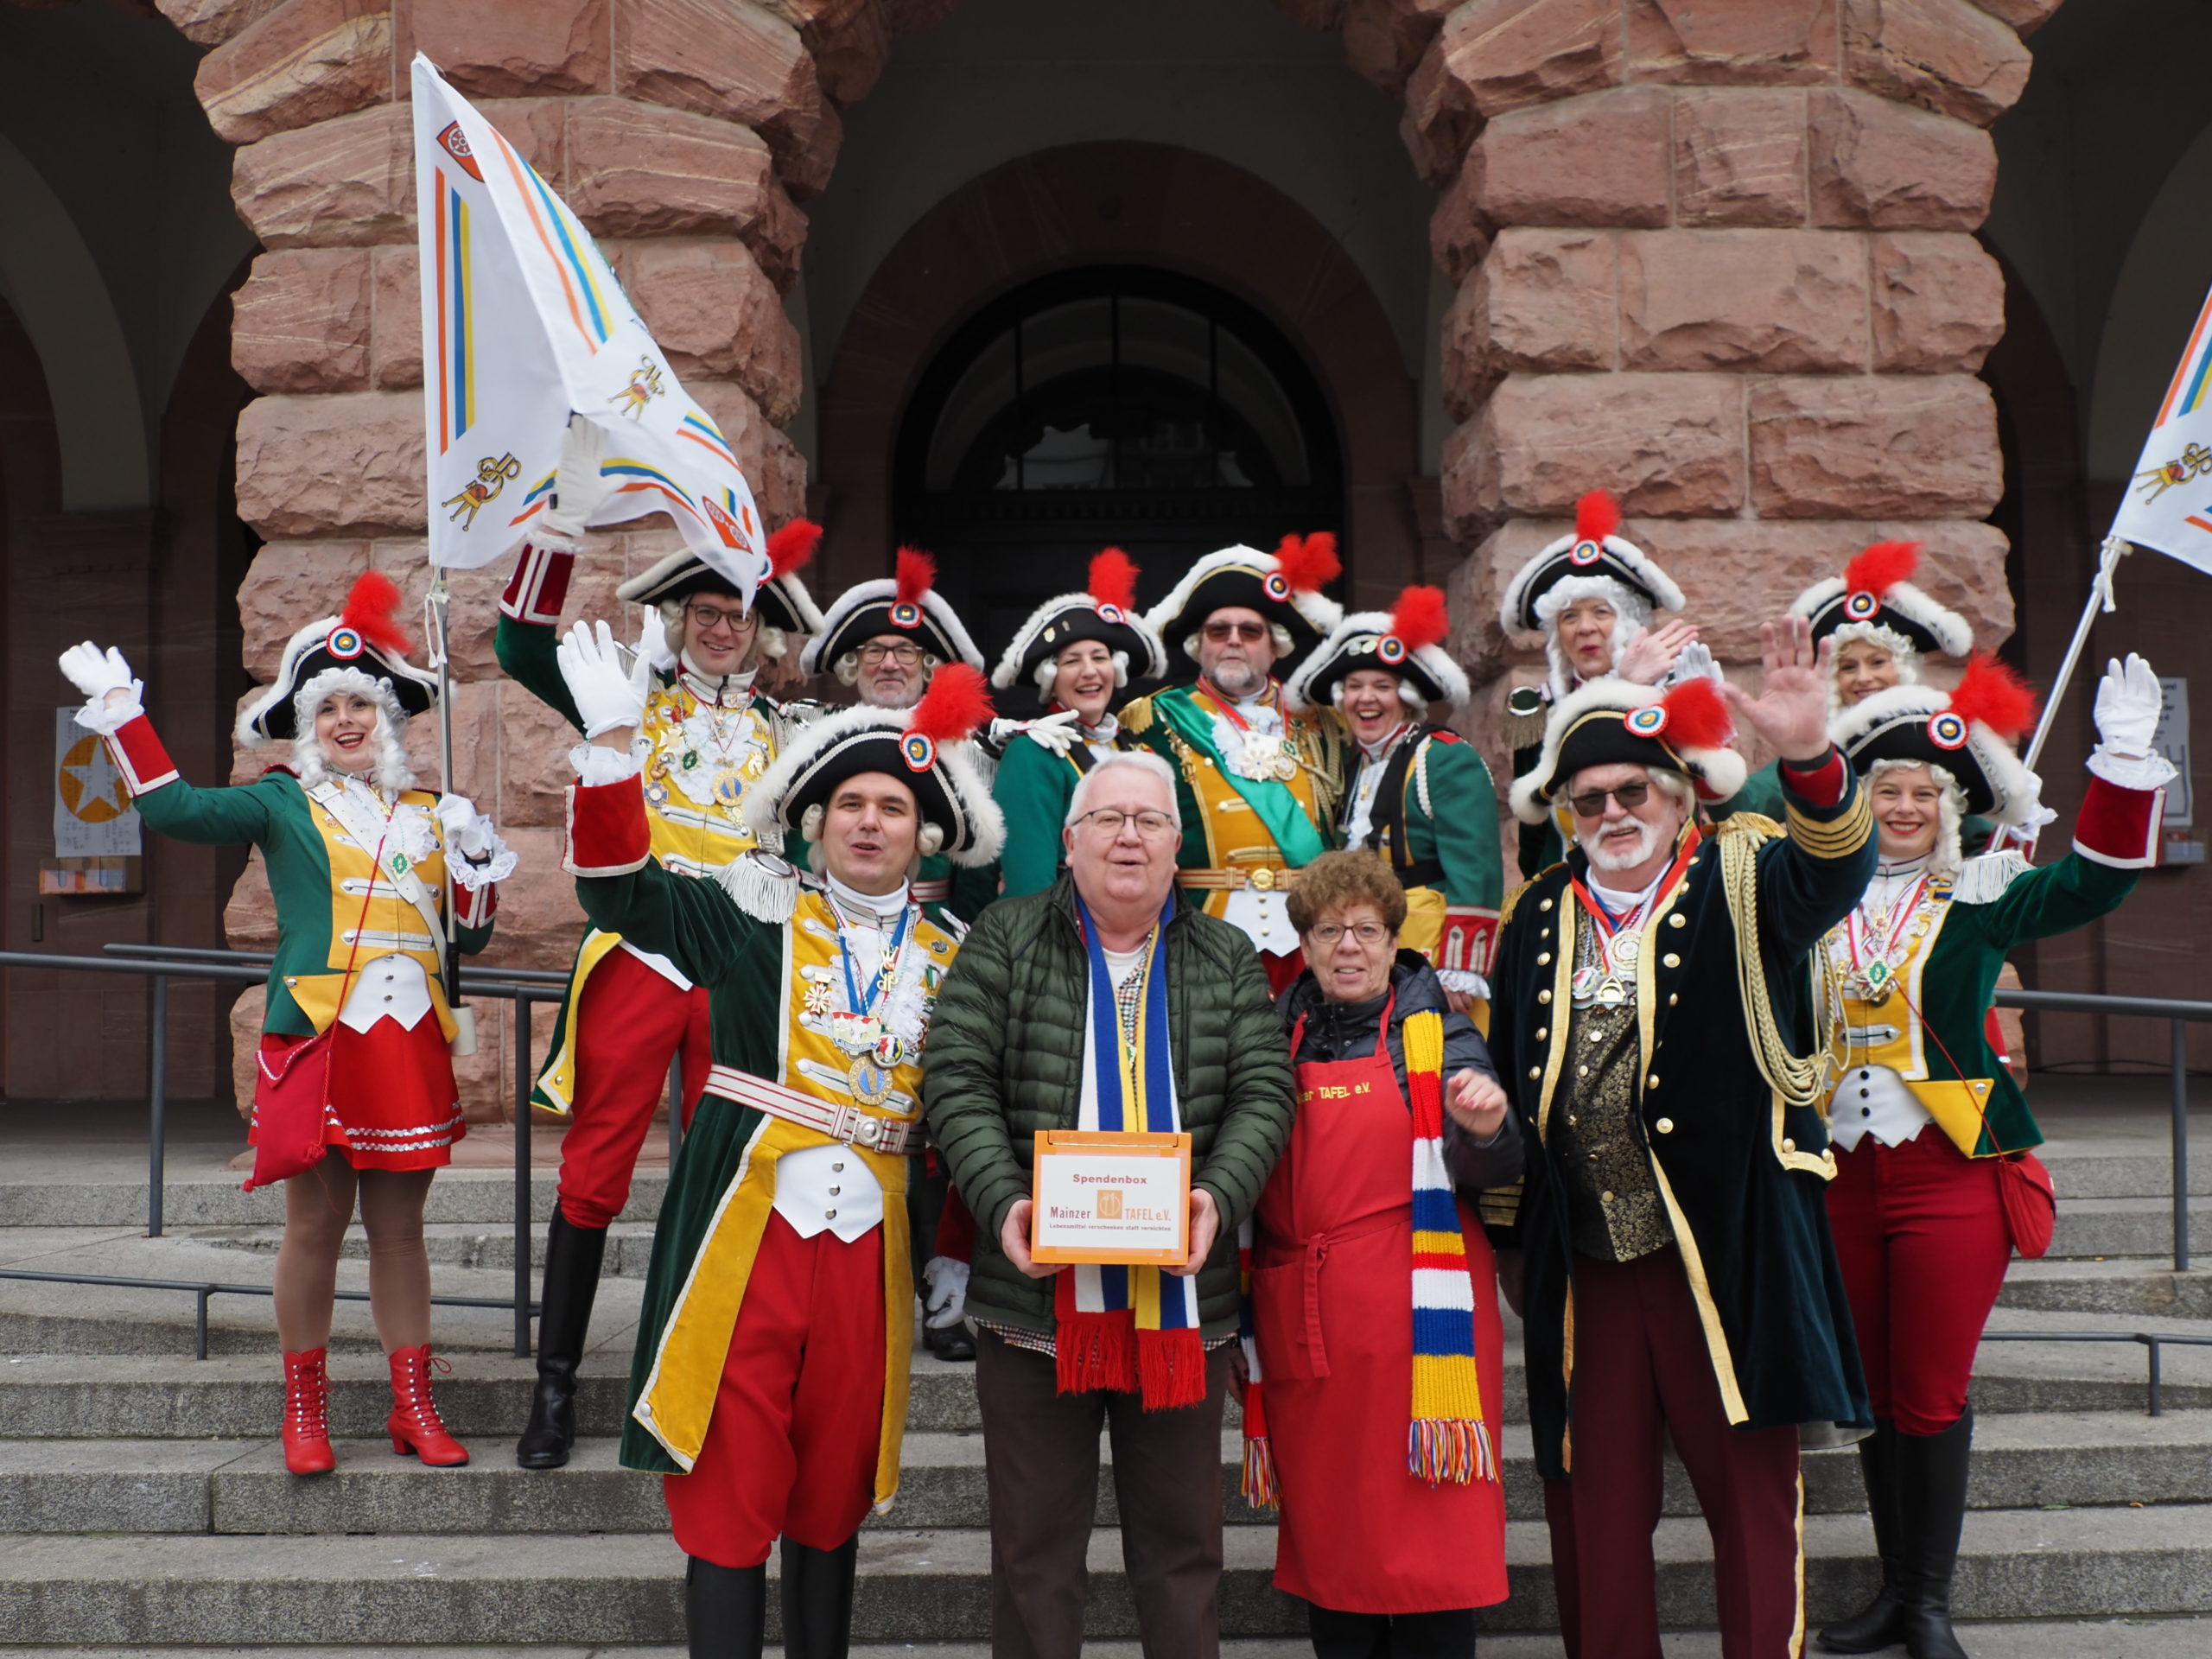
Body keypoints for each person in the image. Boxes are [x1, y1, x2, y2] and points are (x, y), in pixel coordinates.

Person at [554, 620, 1002, 1659]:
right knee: (728, 1481)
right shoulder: (749, 915)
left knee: (833, 1486)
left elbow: (982, 1104)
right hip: (744, 1241)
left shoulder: (962, 957)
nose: (868, 822)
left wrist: (968, 1243)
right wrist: (613, 752)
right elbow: (620, 895)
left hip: (868, 1257)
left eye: (893, 808)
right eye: (849, 804)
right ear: (810, 820)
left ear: (926, 836)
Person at [59, 575, 512, 1474]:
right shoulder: (282, 801)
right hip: (320, 1036)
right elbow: (178, 810)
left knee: (401, 1232)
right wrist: (122, 719)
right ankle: (303, 1409)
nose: (347, 720)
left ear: (389, 718)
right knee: (315, 1225)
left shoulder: (432, 814)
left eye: (362, 704)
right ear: (307, 725)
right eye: (329, 706)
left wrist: (474, 859)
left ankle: (413, 1405)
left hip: (409, 1043)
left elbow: (470, 937)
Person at [1487, 616, 1877, 1659]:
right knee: (1596, 1514)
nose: (1614, 812)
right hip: (1589, 1266)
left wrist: (1808, 755)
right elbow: (1514, 1078)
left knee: (1749, 1502)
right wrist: (1509, 1232)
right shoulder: (1538, 916)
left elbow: (1834, 870)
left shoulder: (1743, 878)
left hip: (1726, 1254)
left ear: (1679, 794)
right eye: (1590, 800)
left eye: (1634, 791)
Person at [1814, 654, 2171, 1659]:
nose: (1902, 806)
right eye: (1885, 789)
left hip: (1950, 1171)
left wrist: (2122, 764)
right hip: (1835, 1178)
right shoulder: (1809, 899)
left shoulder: (1978, 896)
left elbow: (2094, 884)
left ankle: (1928, 1604)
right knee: (1872, 1397)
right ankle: (1892, 1592)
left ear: (1950, 807)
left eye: (1922, 793)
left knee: (1929, 1392)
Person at [494, 433, 826, 1470]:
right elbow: (517, 649)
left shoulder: (795, 731)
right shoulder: (634, 697)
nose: (724, 630)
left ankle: (707, 1374)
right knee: (594, 1173)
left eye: (741, 617)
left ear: (764, 633)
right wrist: (557, 525)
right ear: (680, 621)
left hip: (738, 967)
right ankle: (555, 1390)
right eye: (708, 614)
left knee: (732, 1166)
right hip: (642, 956)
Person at [922, 750, 1296, 1659]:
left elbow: (1265, 1092)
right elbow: (956, 1077)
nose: (1130, 837)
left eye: (1150, 821)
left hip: (1180, 1306)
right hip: (1032, 1302)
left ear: (1176, 845)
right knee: (1034, 1556)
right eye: (1109, 819)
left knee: (1182, 1554)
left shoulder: (1225, 954)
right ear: (1069, 840)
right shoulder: (1005, 937)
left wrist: (1216, 1197)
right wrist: (1003, 1201)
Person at [1253, 851, 1521, 1658]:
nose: (1348, 946)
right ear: (1304, 944)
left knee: (1431, 1538)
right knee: (1333, 1533)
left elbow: (1497, 1161)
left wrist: (1485, 1127)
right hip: (1309, 1329)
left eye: (1366, 930)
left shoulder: (1440, 1032)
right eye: (1329, 930)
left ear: (1393, 940)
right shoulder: (1268, 1036)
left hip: (1420, 1331)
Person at [1123, 535, 1348, 990]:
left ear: (1275, 645)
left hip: (1310, 935)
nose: (1232, 641)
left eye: (1250, 631)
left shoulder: (1325, 723)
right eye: (1218, 631)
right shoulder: (1155, 720)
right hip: (1203, 932)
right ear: (1198, 644)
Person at [1286, 585, 1503, 1020]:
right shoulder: (1354, 766)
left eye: (1382, 686)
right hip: (1366, 949)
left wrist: (1461, 965)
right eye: (1354, 687)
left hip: (1430, 950)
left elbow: (1476, 867)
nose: (1366, 698)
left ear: (1405, 698)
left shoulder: (1443, 757)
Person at [1497, 490, 1699, 878]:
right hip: (1572, 890)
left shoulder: (1671, 694)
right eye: (1569, 617)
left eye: (1600, 612)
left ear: (1628, 621)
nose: (1585, 627)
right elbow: (1534, 836)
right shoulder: (1536, 710)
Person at [1725, 539, 1973, 823]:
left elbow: (1976, 830)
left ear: (1904, 668)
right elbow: (1744, 806)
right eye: (1848, 667)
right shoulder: (1817, 751)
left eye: (1877, 662)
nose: (1864, 678)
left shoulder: (1934, 742)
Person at [991, 547, 1170, 899]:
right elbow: (1030, 885)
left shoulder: (1137, 749)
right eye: (1072, 661)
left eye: (1099, 658)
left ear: (1116, 671)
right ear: (1051, 679)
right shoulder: (1032, 753)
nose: (1089, 671)